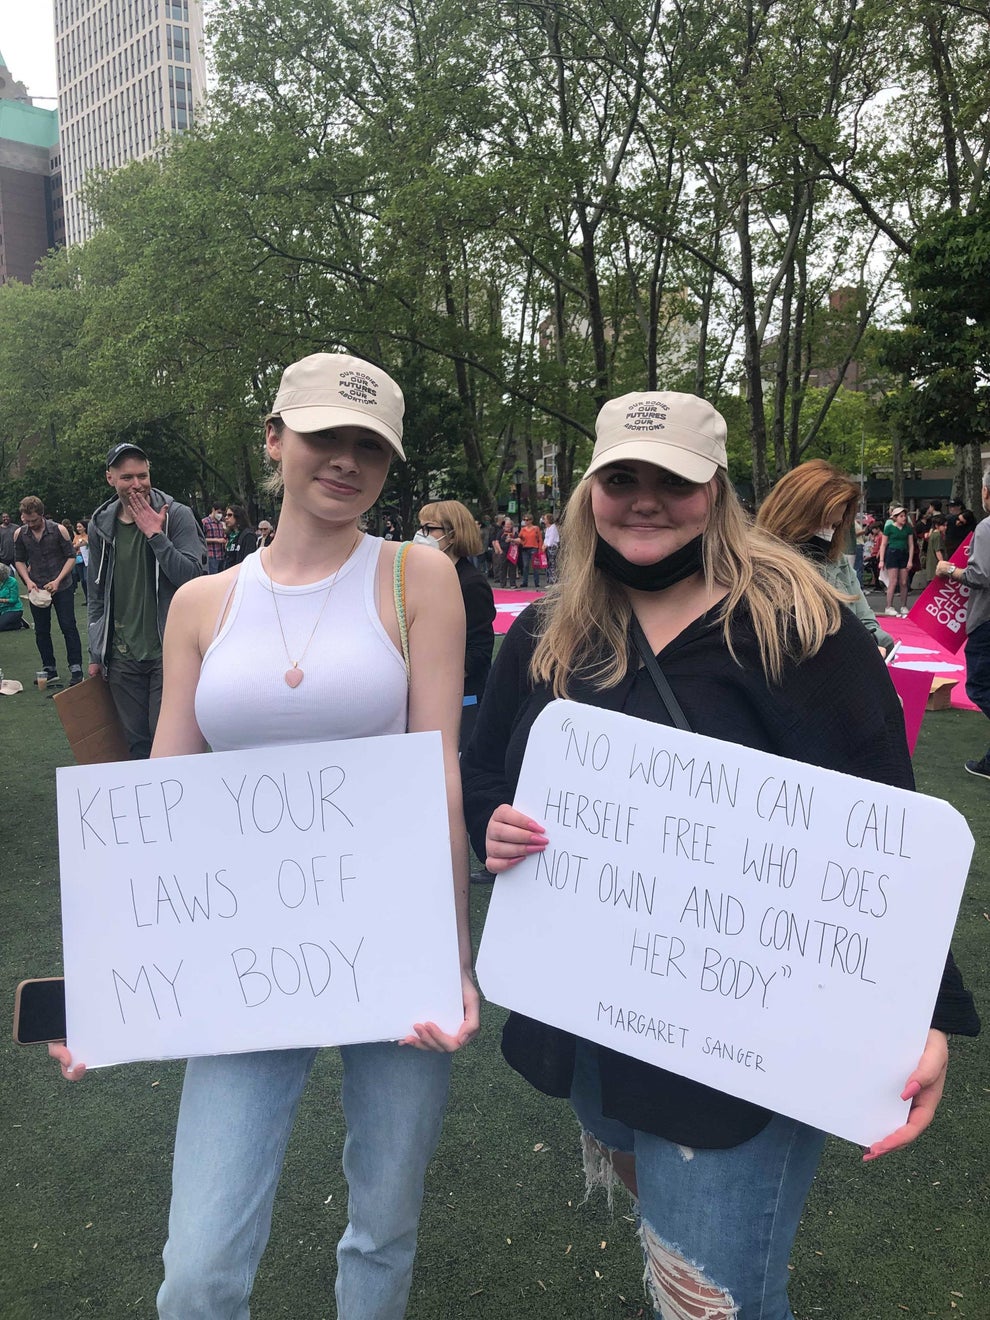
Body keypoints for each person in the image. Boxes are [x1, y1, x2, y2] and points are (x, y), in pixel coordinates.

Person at [461, 390, 979, 1320]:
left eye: (676, 480)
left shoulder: (800, 628)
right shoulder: (548, 633)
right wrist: (495, 821)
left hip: (750, 1042)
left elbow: (884, 827)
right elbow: (487, 766)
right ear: (589, 493)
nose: (645, 499)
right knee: (668, 1249)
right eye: (622, 478)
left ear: (718, 491)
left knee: (712, 1300)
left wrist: (922, 1012)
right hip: (594, 1017)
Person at [51, 351, 479, 1319]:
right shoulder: (203, 603)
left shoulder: (423, 578)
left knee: (384, 1225)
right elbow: (167, 790)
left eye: (370, 446)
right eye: (327, 436)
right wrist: (113, 986)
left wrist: (452, 958)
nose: (347, 460)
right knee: (198, 1273)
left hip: (392, 944)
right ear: (276, 439)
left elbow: (438, 773)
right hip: (242, 955)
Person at [88, 442, 207, 758]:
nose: (137, 484)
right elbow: (96, 595)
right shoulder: (101, 525)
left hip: (170, 653)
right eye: (127, 477)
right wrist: (96, 651)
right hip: (122, 656)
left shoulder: (176, 516)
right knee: (136, 745)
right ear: (110, 478)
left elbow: (195, 581)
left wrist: (157, 536)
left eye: (142, 475)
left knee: (171, 746)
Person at [756, 460, 895, 654]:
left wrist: (877, 643)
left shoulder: (835, 560)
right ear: (795, 515)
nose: (828, 533)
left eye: (835, 526)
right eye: (822, 523)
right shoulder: (759, 569)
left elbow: (866, 620)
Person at [417, 499, 496, 751]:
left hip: (460, 701)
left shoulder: (471, 584)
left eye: (429, 528)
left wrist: (431, 679)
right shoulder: (423, 578)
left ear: (453, 534)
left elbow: (479, 652)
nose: (421, 535)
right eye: (420, 528)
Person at [936, 470, 990, 777]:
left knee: (980, 687)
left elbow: (980, 575)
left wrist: (950, 570)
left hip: (986, 619)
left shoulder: (986, 528)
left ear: (985, 491)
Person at [13, 495, 84, 687]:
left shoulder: (59, 530)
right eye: (27, 520)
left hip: (63, 585)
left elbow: (71, 557)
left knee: (68, 625)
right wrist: (27, 581)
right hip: (37, 587)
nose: (30, 524)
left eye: (34, 520)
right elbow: (18, 560)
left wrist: (58, 580)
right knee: (41, 630)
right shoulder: (20, 534)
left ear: (42, 515)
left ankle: (76, 667)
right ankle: (49, 668)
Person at [878, 505, 914, 616]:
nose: (903, 518)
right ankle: (888, 606)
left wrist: (910, 560)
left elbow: (911, 545)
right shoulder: (889, 528)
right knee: (893, 581)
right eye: (901, 516)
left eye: (904, 516)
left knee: (903, 582)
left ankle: (904, 606)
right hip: (892, 553)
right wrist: (881, 560)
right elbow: (883, 544)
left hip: (903, 553)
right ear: (895, 517)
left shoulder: (908, 529)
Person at [221, 503, 257, 570]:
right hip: (229, 573)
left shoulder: (248, 535)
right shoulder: (230, 536)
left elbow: (248, 560)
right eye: (226, 515)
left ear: (238, 516)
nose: (226, 517)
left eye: (230, 515)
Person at [517, 512, 544, 589]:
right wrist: (522, 542)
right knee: (525, 566)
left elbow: (540, 539)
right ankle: (525, 582)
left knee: (535, 565)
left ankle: (536, 582)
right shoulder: (523, 529)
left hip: (533, 548)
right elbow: (519, 537)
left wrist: (540, 548)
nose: (526, 521)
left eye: (527, 520)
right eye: (524, 520)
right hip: (525, 548)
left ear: (531, 520)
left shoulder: (536, 528)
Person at [0, 561, 27, 631]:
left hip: (13, 609)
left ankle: (19, 624)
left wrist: (1, 600)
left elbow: (13, 600)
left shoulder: (12, 582)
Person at [493, 517, 518, 589]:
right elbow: (496, 541)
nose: (507, 527)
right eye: (506, 525)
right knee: (503, 568)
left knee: (512, 568)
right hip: (503, 551)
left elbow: (519, 540)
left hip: (512, 552)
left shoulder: (514, 532)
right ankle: (502, 583)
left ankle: (512, 583)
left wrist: (512, 539)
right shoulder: (501, 532)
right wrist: (500, 550)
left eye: (509, 525)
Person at [201, 501, 226, 574]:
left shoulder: (221, 523)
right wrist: (216, 540)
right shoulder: (205, 522)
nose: (220, 515)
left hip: (222, 556)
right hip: (211, 556)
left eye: (221, 513)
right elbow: (201, 539)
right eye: (218, 512)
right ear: (213, 510)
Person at [72, 521, 90, 603]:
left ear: (85, 527)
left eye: (80, 527)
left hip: (88, 559)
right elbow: (72, 547)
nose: (78, 528)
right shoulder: (76, 537)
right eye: (77, 527)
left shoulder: (88, 536)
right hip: (79, 560)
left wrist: (86, 543)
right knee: (82, 580)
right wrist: (77, 546)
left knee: (87, 579)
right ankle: (87, 599)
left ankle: (91, 598)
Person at [542, 512, 560, 584]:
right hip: (547, 547)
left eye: (545, 519)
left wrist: (546, 545)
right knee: (548, 564)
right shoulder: (548, 528)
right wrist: (543, 545)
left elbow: (551, 539)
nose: (544, 520)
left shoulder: (553, 528)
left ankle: (554, 580)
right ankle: (549, 580)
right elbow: (546, 538)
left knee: (552, 563)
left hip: (552, 547)